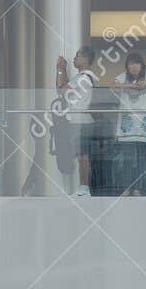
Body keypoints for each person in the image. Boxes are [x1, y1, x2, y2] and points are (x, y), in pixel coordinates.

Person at [110, 52, 146, 196]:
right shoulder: (123, 77)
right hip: (127, 125)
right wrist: (131, 85)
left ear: (142, 66)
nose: (134, 67)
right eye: (131, 64)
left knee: (142, 160)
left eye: (137, 63)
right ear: (127, 66)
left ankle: (138, 189)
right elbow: (113, 86)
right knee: (127, 159)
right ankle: (128, 187)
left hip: (144, 126)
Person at [55, 48, 96, 196]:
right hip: (80, 120)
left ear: (86, 59)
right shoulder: (81, 77)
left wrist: (59, 69)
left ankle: (84, 189)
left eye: (77, 56)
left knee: (82, 155)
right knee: (81, 155)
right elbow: (66, 88)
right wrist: (64, 70)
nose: (74, 59)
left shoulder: (84, 77)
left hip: (80, 121)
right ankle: (83, 188)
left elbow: (60, 90)